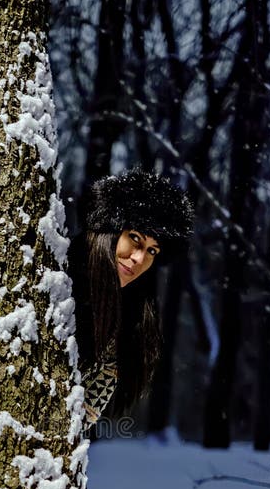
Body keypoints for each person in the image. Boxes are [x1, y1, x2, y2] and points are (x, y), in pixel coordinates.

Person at [66, 166, 195, 434]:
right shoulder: (58, 280)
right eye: (134, 237)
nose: (139, 258)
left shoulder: (130, 320)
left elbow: (77, 422)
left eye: (152, 250)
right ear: (109, 230)